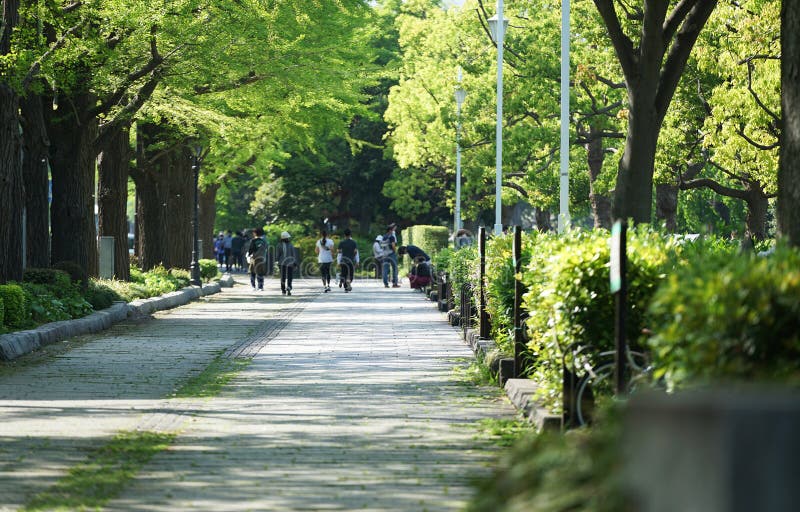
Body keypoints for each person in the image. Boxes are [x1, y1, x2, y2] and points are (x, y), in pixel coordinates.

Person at [276, 231, 297, 295]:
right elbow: (293, 254)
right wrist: (295, 263)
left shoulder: (279, 245)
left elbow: (277, 255)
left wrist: (277, 261)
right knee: (290, 276)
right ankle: (289, 287)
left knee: (283, 277)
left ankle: (283, 290)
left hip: (281, 263)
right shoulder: (291, 245)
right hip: (290, 263)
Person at [381, 223, 400, 288]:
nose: (393, 231)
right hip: (391, 254)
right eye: (392, 230)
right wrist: (395, 251)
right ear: (390, 230)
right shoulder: (391, 237)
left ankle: (386, 284)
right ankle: (394, 283)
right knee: (395, 268)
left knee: (385, 269)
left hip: (384, 254)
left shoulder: (383, 237)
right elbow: (393, 245)